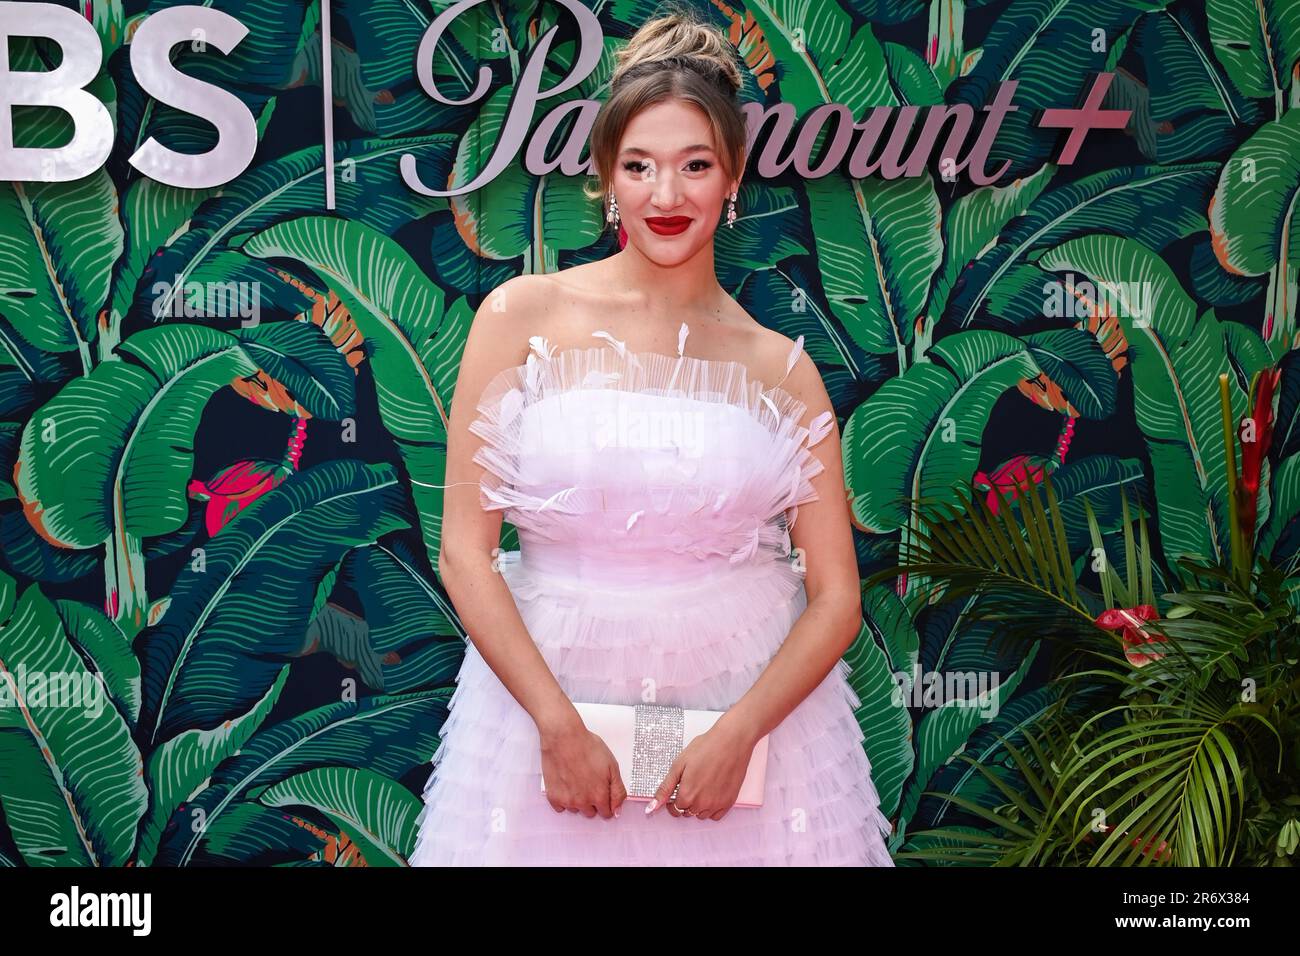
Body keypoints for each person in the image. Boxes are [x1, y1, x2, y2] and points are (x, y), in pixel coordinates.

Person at [410, 7, 895, 866]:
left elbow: (836, 599)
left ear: (733, 175)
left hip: (744, 730)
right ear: (605, 178)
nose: (666, 197)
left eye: (694, 166)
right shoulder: (522, 316)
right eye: (639, 166)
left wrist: (741, 732)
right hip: (541, 712)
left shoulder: (780, 368)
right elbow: (463, 553)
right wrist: (556, 725)